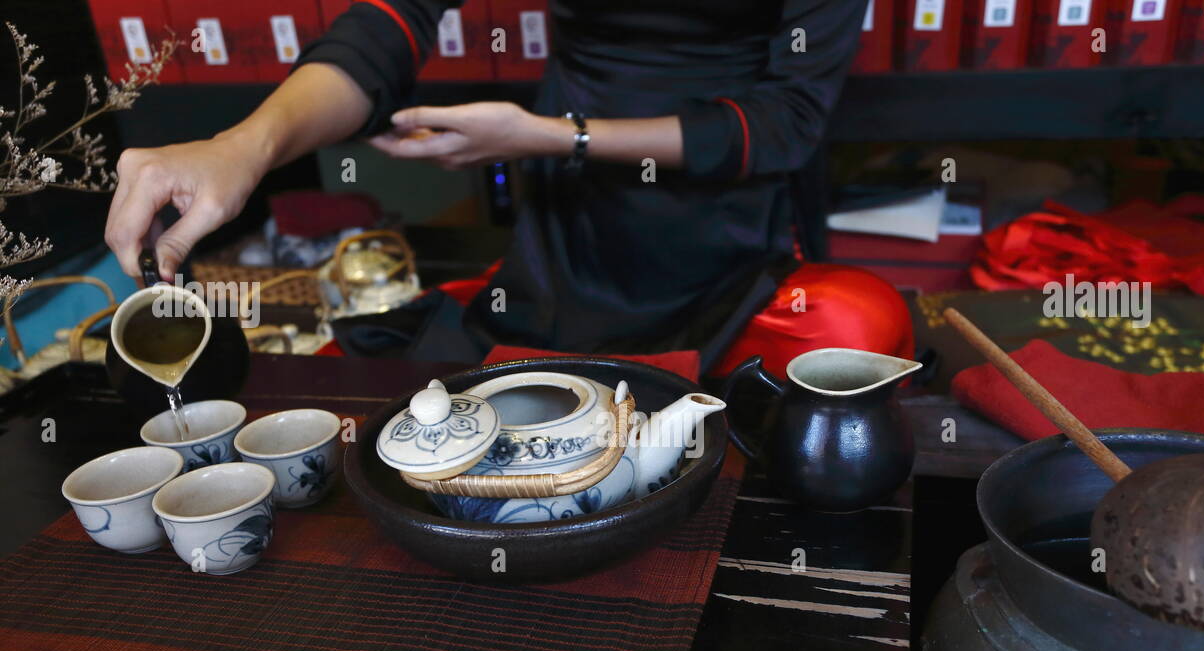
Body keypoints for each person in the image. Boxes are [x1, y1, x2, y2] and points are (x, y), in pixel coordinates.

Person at [105, 0, 912, 373]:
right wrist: (242, 146)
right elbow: (388, 24)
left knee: (856, 337)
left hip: (733, 223)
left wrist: (553, 137)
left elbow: (788, 120)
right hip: (576, 229)